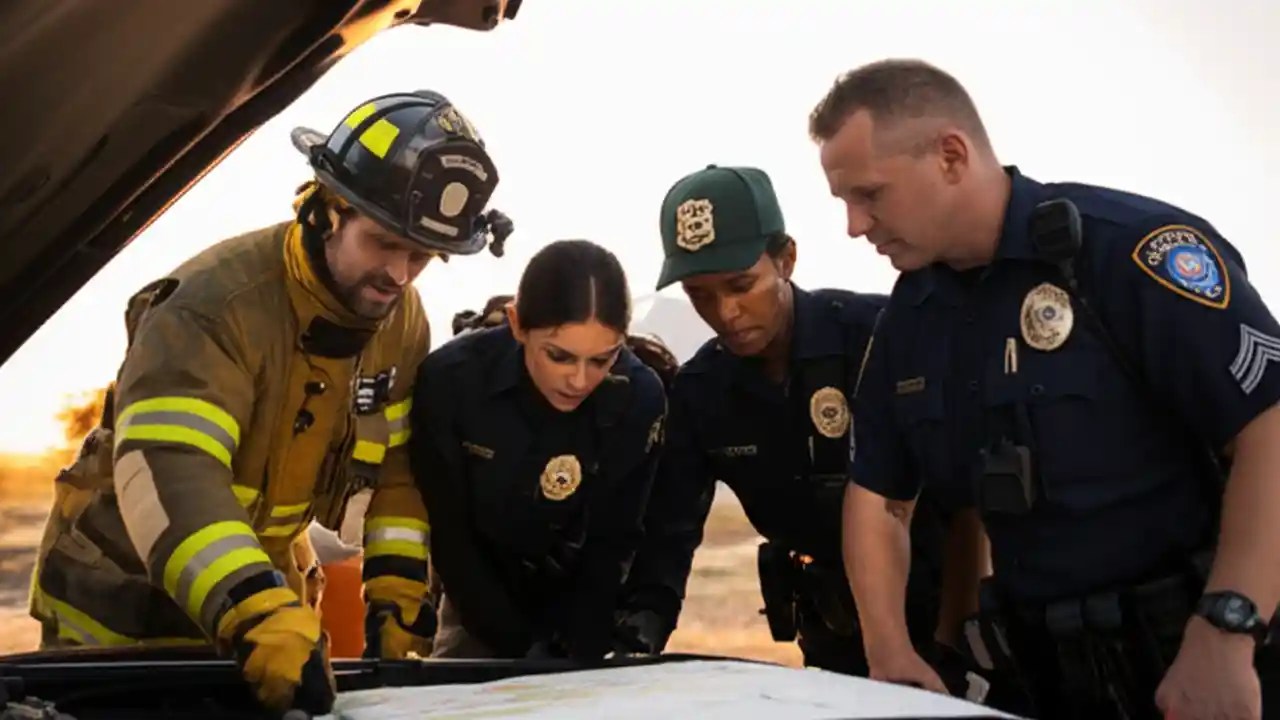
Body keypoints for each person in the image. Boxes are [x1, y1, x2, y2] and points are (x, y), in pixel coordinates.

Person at [811, 58, 1280, 720]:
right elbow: (880, 497)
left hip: (1205, 664)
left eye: (871, 195)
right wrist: (889, 649)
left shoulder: (1125, 254)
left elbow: (1269, 428)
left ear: (950, 155)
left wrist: (1227, 630)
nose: (856, 225)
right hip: (1050, 680)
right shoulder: (910, 322)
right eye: (845, 202)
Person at [26, 90, 511, 716]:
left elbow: (395, 467)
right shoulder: (213, 305)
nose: (400, 274)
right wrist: (253, 606)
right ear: (330, 209)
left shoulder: (398, 318)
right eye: (384, 242)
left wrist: (397, 592)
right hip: (127, 614)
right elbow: (173, 471)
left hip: (263, 606)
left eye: (421, 255)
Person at [614, 164, 977, 679]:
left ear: (786, 258)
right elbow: (669, 536)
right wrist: (640, 632)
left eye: (742, 285)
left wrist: (954, 642)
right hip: (834, 641)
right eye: (700, 294)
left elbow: (969, 506)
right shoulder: (701, 393)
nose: (725, 311)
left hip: (948, 620)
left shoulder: (880, 338)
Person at [409, 239, 668, 661]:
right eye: (559, 356)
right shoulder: (452, 381)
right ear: (516, 324)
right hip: (476, 590)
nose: (580, 381)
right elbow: (450, 535)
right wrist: (522, 650)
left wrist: (578, 651)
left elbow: (615, 540)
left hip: (586, 590)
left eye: (602, 360)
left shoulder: (638, 397)